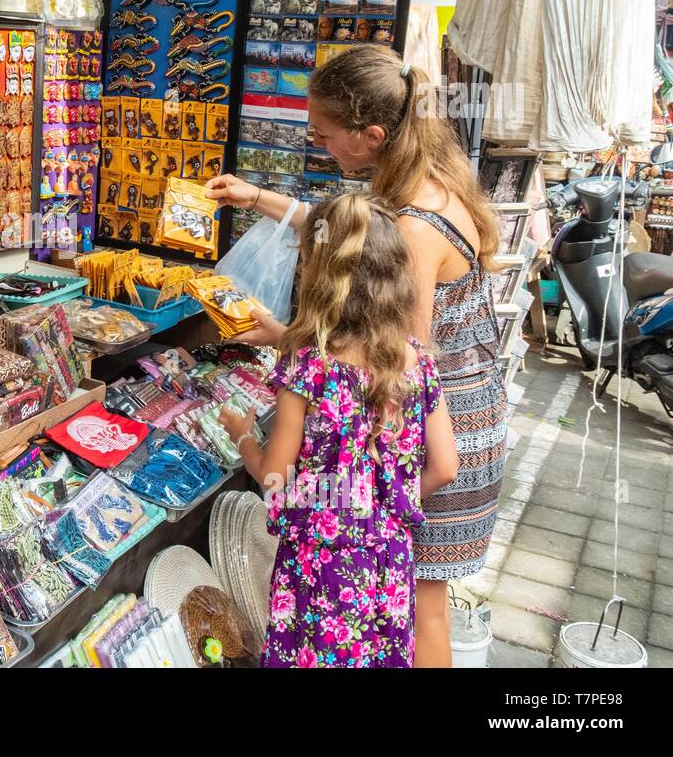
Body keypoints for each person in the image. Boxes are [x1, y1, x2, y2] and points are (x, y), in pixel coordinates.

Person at [207, 44, 506, 668]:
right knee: (390, 618)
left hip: (428, 435)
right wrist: (257, 197)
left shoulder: (415, 228)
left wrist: (294, 340)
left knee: (425, 612)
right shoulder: (419, 178)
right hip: (441, 427)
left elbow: (387, 354)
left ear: (372, 135)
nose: (319, 146)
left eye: (324, 134)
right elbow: (338, 231)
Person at [221, 194, 457, 667]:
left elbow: (274, 476)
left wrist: (243, 436)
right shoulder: (418, 361)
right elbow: (446, 467)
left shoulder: (308, 365)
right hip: (388, 559)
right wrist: (387, 504)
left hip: (319, 564)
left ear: (318, 275)